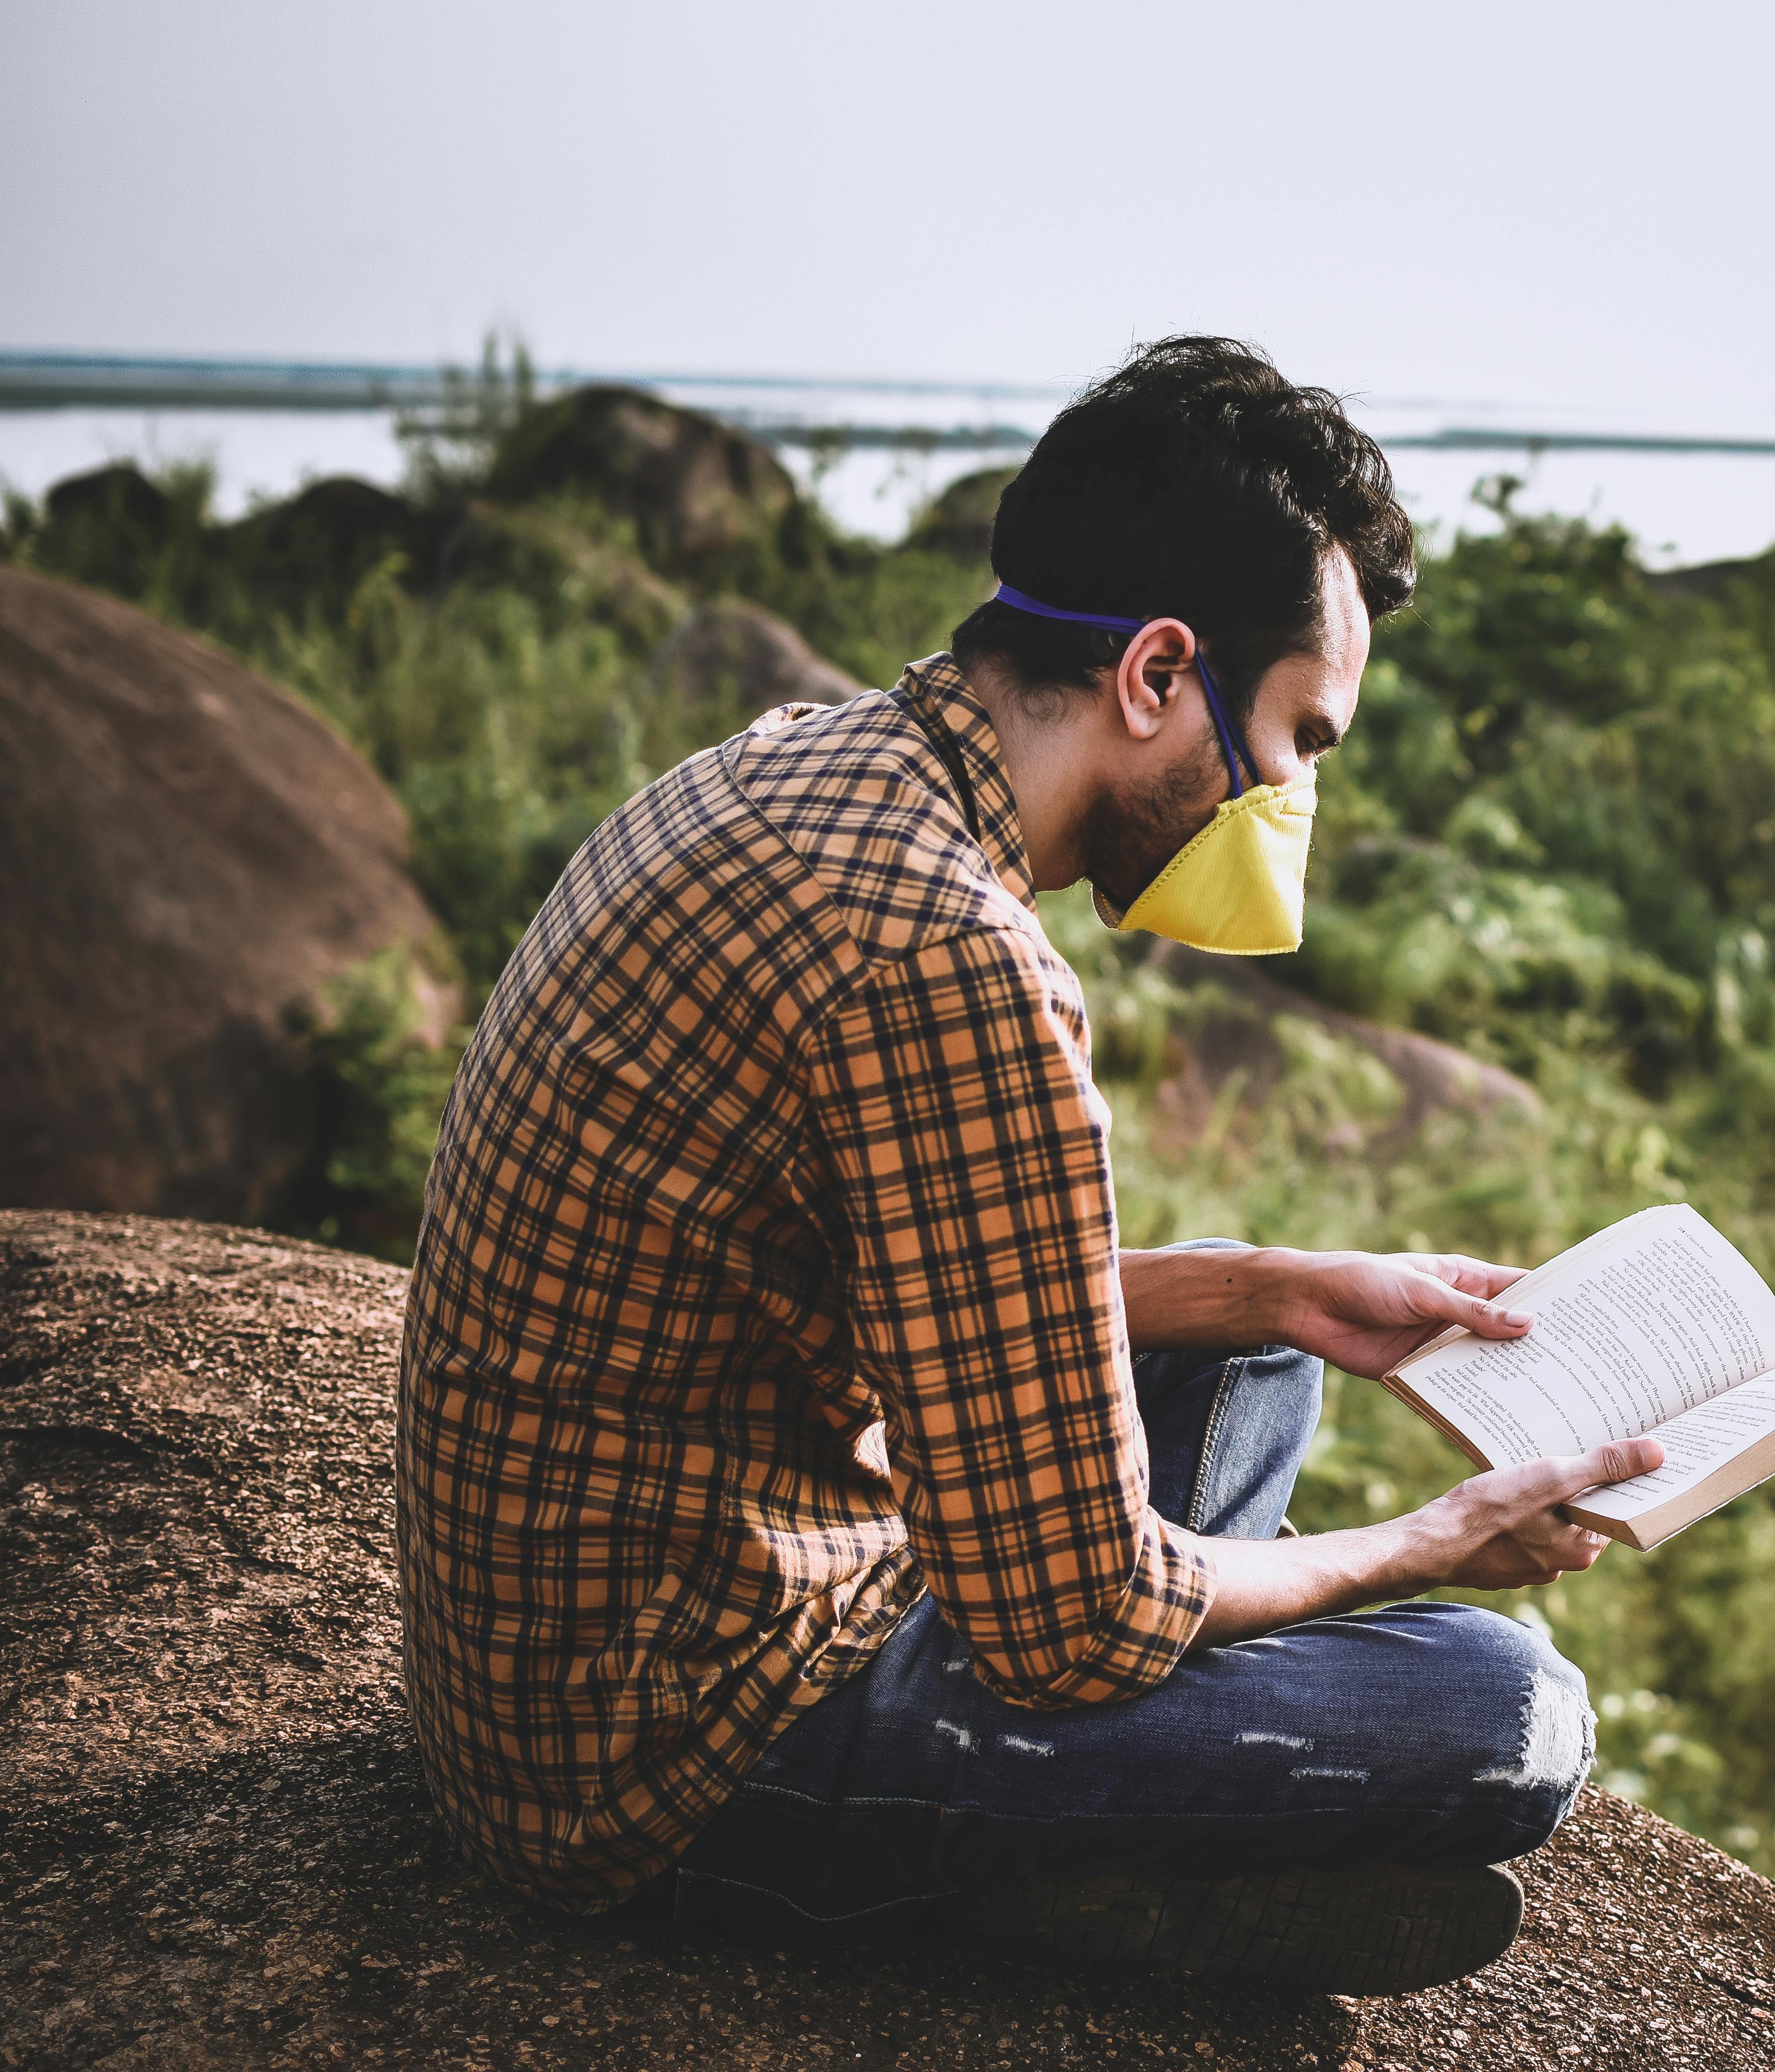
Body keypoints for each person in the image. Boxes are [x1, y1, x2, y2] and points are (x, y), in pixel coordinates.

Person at [394, 337, 1662, 1995]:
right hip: (669, 1750)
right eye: (1296, 739)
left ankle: (1093, 1844)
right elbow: (1074, 1626)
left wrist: (1272, 1286)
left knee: (1261, 1361)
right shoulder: (950, 953)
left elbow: (866, 1276)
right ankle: (997, 1887)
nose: (1290, 797)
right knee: (1515, 1714)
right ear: (1154, 675)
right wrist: (1436, 1539)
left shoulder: (801, 765)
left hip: (587, 1643)